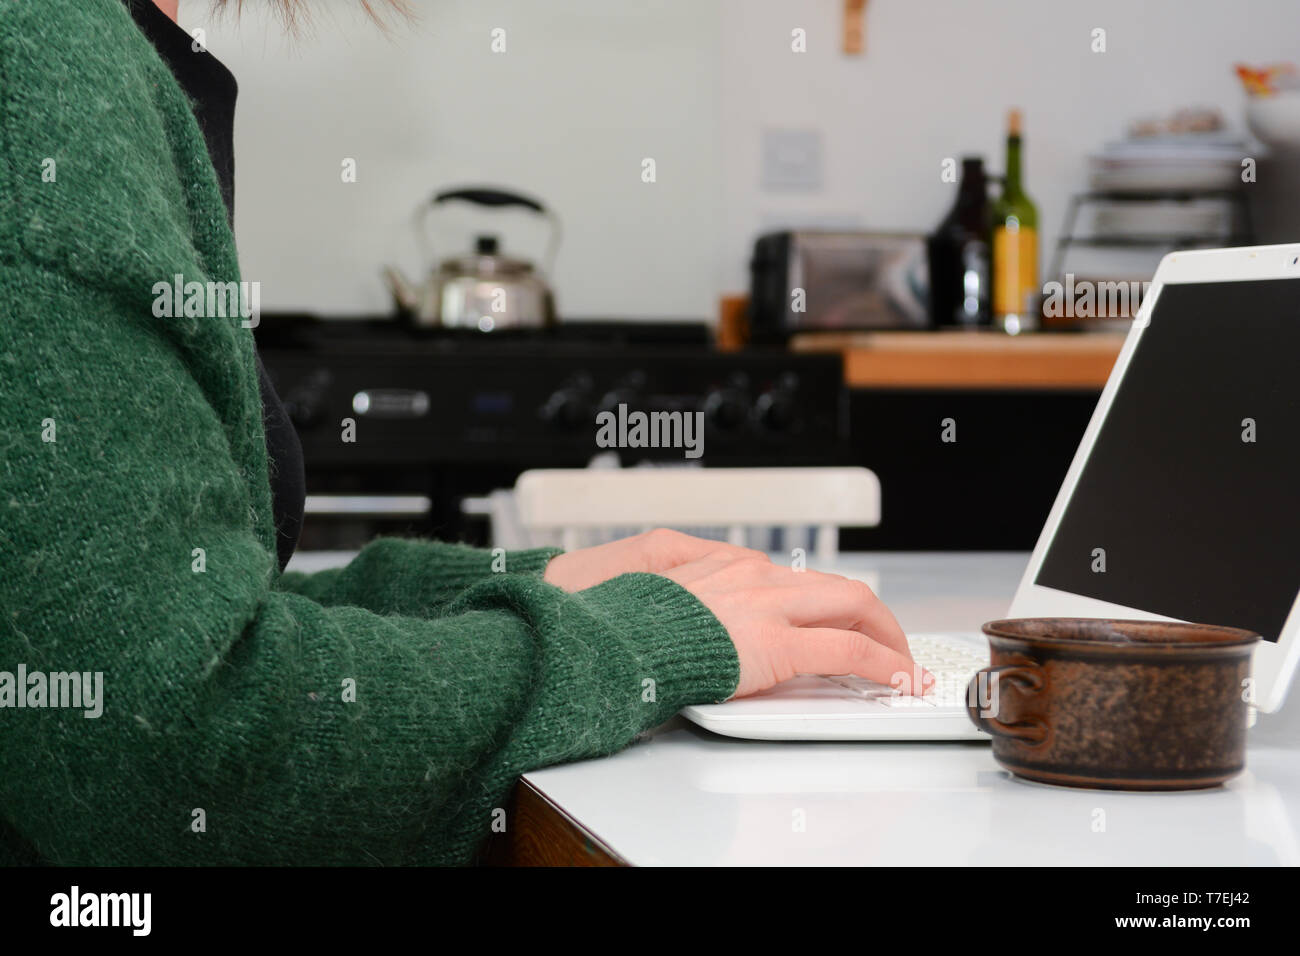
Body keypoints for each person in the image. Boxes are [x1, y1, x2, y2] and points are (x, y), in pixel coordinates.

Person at [0, 0, 929, 866]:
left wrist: (528, 587)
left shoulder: (101, 45)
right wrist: (637, 644)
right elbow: (170, 747)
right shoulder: (44, 50)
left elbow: (156, 625)